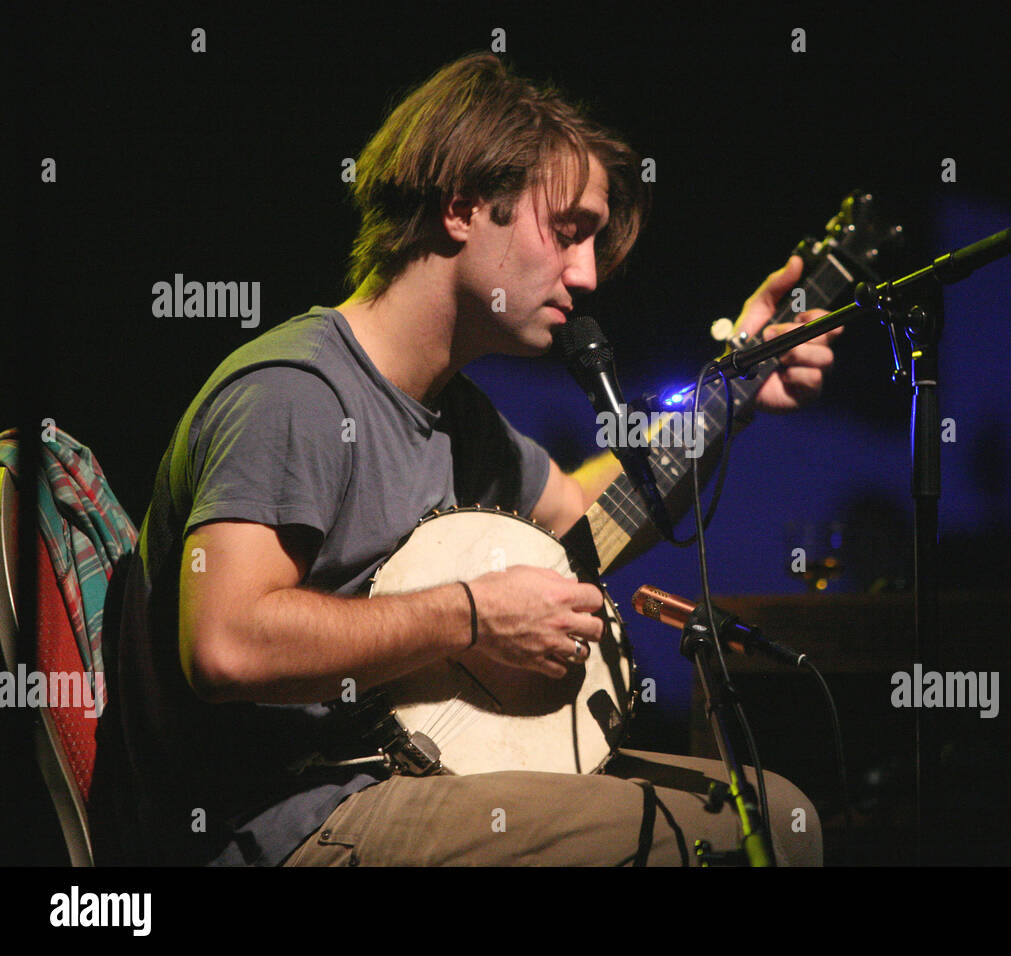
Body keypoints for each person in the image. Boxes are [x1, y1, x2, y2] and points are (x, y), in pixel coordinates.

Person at [91, 51, 841, 867]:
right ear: (462, 208)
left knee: (773, 810)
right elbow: (226, 644)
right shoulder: (297, 394)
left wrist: (730, 390)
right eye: (568, 232)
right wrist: (473, 617)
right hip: (288, 828)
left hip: (398, 788)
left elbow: (590, 516)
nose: (586, 274)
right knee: (758, 830)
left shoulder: (459, 419)